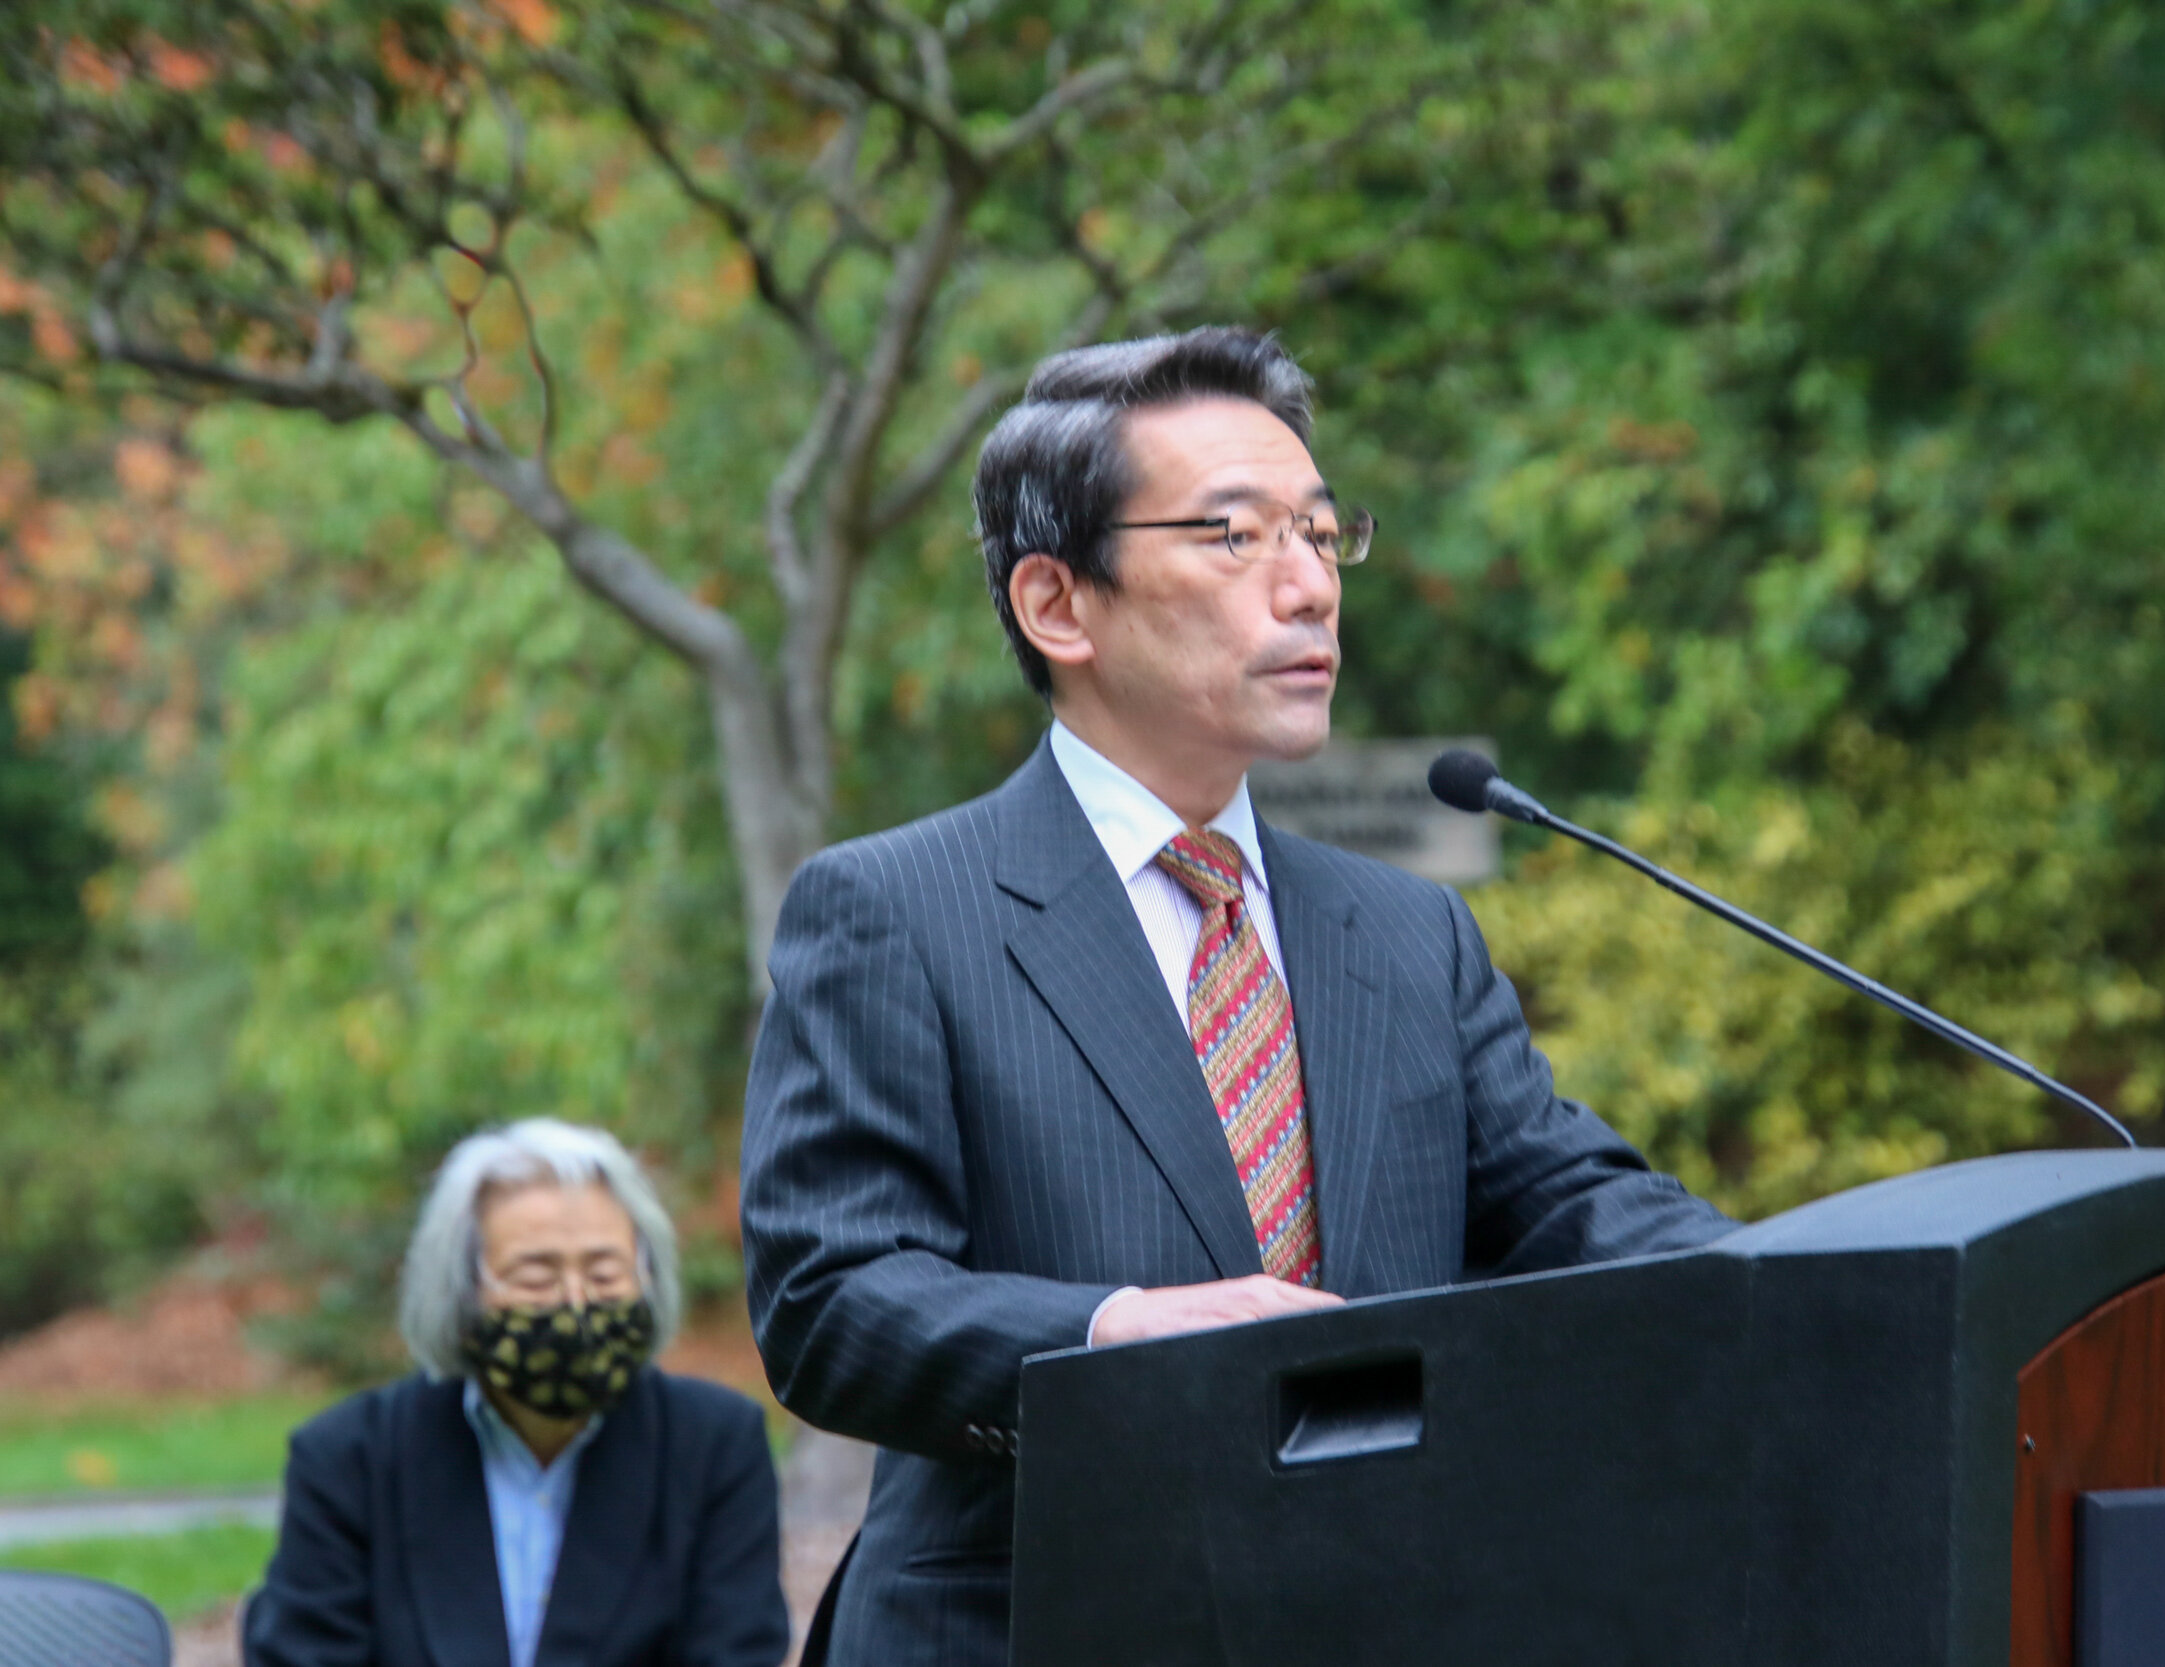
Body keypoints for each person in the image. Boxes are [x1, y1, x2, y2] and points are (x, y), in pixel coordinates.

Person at [741, 326, 1736, 1666]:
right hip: (1032, 1622)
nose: (1308, 585)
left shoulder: (1404, 930)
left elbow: (1573, 1207)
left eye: (1325, 537)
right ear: (1058, 604)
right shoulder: (901, 909)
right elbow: (831, 1298)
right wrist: (1118, 1333)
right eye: (1234, 537)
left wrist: (1812, 1281)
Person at [245, 1118, 789, 1667]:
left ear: (648, 1280)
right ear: (460, 1290)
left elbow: (735, 1652)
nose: (575, 1305)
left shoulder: (714, 1447)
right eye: (535, 1278)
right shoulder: (349, 1460)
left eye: (604, 1274)